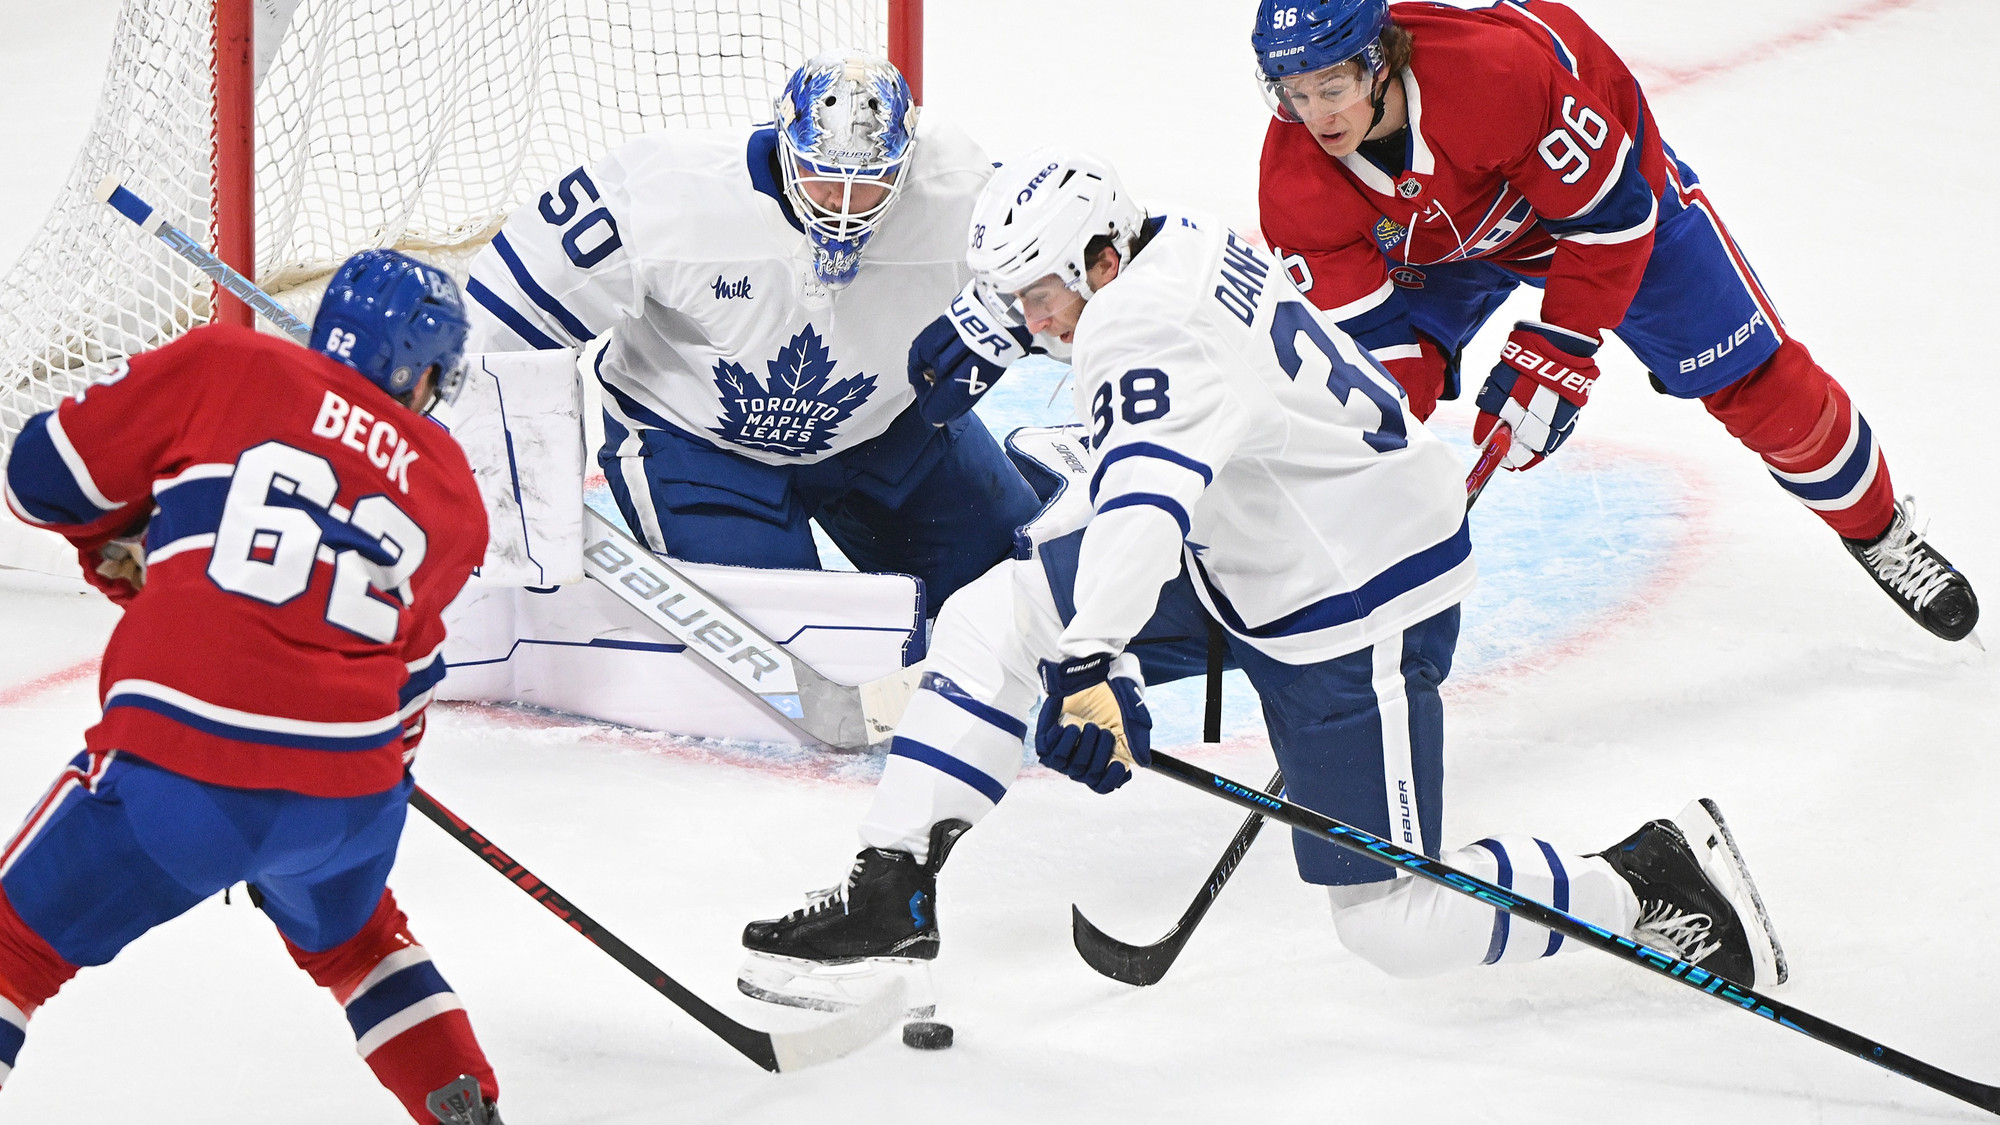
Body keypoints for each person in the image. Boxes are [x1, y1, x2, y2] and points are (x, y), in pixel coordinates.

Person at [735, 149, 1785, 1012]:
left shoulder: (1141, 330)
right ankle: (892, 891)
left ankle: (1642, 881)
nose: (1034, 319)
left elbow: (1143, 502)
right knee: (997, 613)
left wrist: (1092, 663)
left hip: (1354, 607)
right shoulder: (1172, 236)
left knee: (1394, 925)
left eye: (1038, 295)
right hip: (1274, 545)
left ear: (1101, 260)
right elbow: (1140, 463)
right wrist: (1004, 325)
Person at [1252, 0, 1977, 643]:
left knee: (1759, 384)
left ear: (1379, 63)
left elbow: (1617, 218)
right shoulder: (1294, 185)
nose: (1316, 116)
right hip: (1447, 241)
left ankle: (1879, 530)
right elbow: (1380, 352)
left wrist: (1562, 348)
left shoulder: (1494, 75)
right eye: (1293, 93)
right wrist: (1392, 474)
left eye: (1333, 87)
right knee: (1352, 406)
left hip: (1610, 203)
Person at [0, 251, 504, 1124]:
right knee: (359, 944)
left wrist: (123, 536)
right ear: (424, 373)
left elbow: (39, 476)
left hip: (183, 770)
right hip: (352, 796)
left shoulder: (229, 362)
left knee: (11, 950)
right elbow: (411, 681)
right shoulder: (455, 490)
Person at [462, 49, 1040, 609]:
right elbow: (502, 312)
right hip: (702, 449)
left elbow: (1099, 270)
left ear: (908, 163)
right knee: (777, 650)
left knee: (1016, 594)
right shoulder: (666, 191)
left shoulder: (960, 192)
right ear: (784, 147)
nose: (842, 203)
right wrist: (519, 516)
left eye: (870, 180)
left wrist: (1007, 318)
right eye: (822, 174)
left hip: (889, 430)